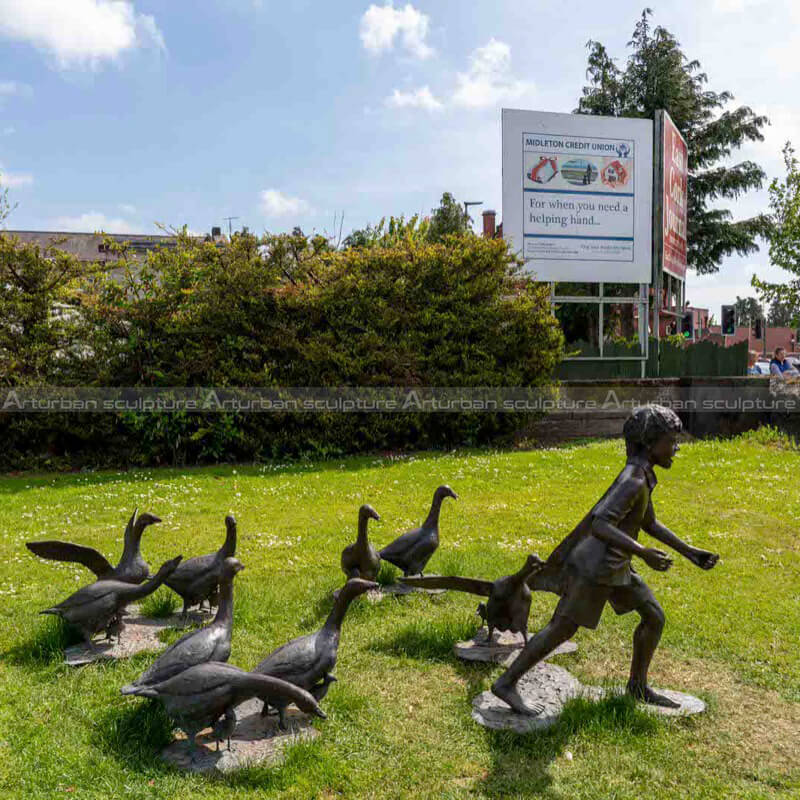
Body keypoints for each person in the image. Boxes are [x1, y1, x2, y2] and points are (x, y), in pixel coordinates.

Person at [491, 405, 719, 716]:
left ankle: (637, 686)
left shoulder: (644, 476)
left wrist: (691, 551)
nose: (677, 448)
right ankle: (506, 683)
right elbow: (600, 524)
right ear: (651, 443)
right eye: (672, 441)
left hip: (616, 566)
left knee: (653, 617)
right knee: (561, 630)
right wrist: (643, 552)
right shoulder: (633, 480)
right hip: (595, 569)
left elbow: (649, 523)